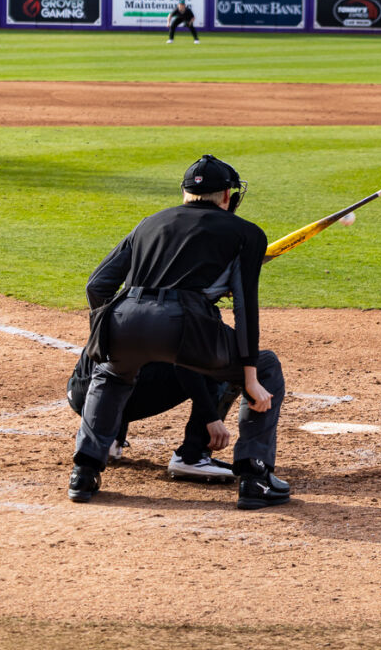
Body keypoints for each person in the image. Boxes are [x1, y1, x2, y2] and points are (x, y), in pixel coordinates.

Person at [68, 155, 290, 509]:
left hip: (125, 315)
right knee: (265, 367)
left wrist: (105, 332)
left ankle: (85, 470)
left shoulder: (149, 223)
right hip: (186, 324)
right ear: (227, 197)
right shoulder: (246, 233)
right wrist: (249, 377)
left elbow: (98, 284)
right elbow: (246, 308)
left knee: (113, 372)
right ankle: (254, 477)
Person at [66, 347, 240, 483]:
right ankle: (193, 456)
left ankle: (108, 437)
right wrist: (211, 418)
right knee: (221, 360)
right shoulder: (177, 306)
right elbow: (186, 368)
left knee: (124, 356)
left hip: (82, 390)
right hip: (120, 391)